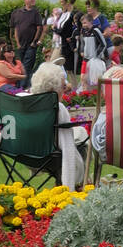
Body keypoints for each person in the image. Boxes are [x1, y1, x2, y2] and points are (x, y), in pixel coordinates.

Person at [28, 60, 88, 190]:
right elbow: (68, 149)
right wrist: (68, 187)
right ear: (52, 89)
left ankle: (77, 181)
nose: (65, 90)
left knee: (80, 133)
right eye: (63, 86)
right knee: (82, 138)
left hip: (25, 154)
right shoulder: (57, 109)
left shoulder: (22, 101)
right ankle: (79, 183)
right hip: (49, 156)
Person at [8, 0, 44, 87]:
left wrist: (34, 42)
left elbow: (39, 28)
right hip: (20, 46)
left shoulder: (36, 13)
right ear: (25, 0)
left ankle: (21, 88)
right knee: (19, 66)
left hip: (31, 45)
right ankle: (23, 86)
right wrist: (16, 43)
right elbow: (14, 29)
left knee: (26, 66)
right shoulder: (16, 13)